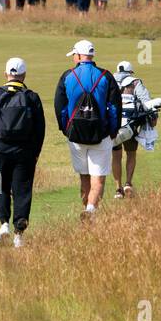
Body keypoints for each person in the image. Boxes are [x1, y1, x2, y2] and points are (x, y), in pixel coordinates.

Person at [0, 57, 45, 248]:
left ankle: (3, 225)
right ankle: (19, 234)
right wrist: (35, 152)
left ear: (6, 74)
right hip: (24, 153)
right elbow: (40, 129)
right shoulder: (32, 97)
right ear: (24, 75)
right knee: (22, 191)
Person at [54, 39, 122, 219]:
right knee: (98, 178)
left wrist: (65, 128)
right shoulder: (106, 76)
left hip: (75, 134)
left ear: (78, 55)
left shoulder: (67, 76)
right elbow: (115, 108)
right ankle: (91, 210)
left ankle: (88, 210)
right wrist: (113, 130)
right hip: (101, 134)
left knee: (84, 176)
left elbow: (60, 106)